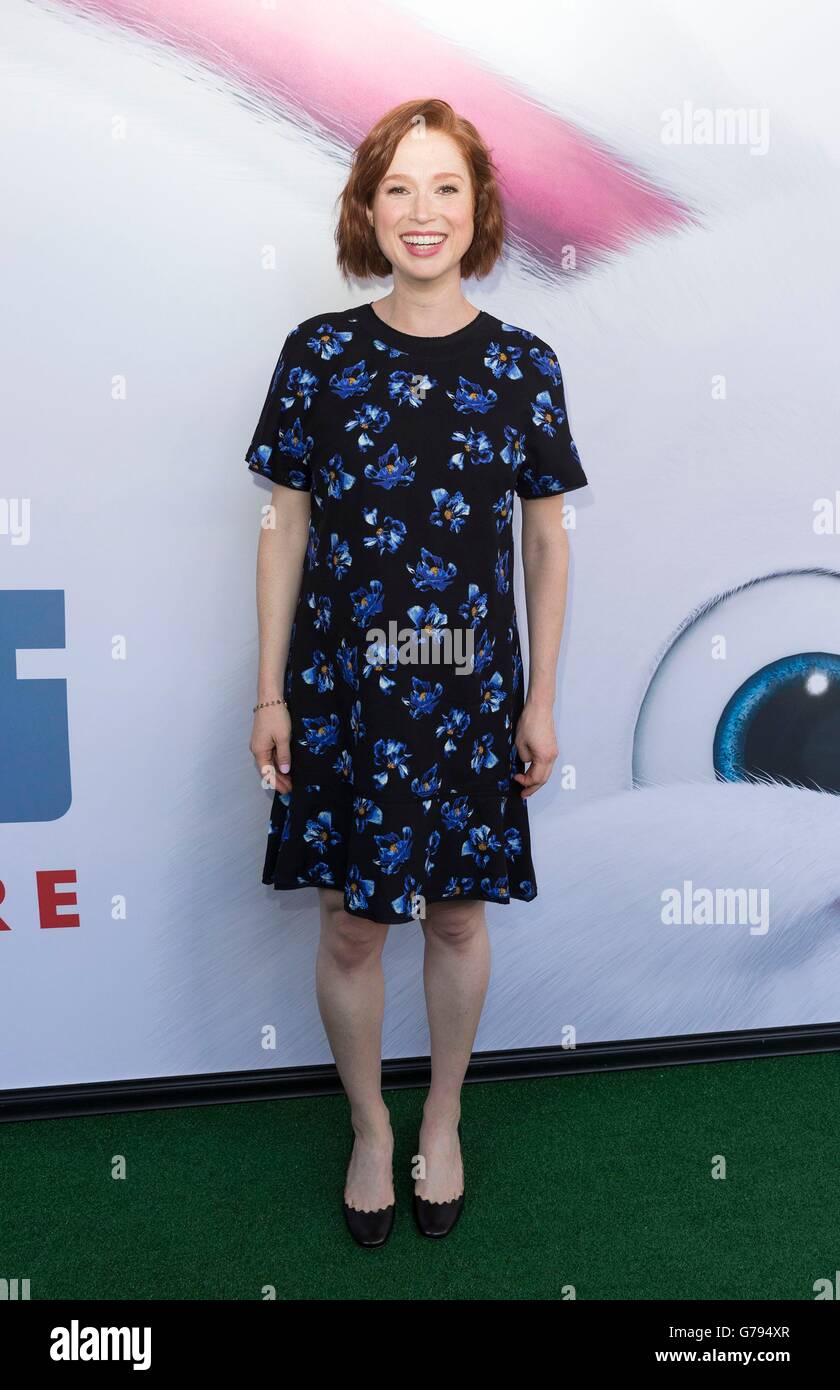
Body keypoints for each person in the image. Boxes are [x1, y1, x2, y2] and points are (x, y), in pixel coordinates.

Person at [246, 98, 589, 1247]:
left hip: (469, 700)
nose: (422, 211)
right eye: (399, 187)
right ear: (368, 208)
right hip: (347, 699)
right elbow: (282, 529)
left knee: (454, 918)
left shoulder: (522, 366)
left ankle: (440, 1115)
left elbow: (546, 539)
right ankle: (369, 1127)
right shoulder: (320, 354)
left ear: (478, 208)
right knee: (351, 926)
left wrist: (540, 694)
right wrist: (271, 691)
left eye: (446, 187)